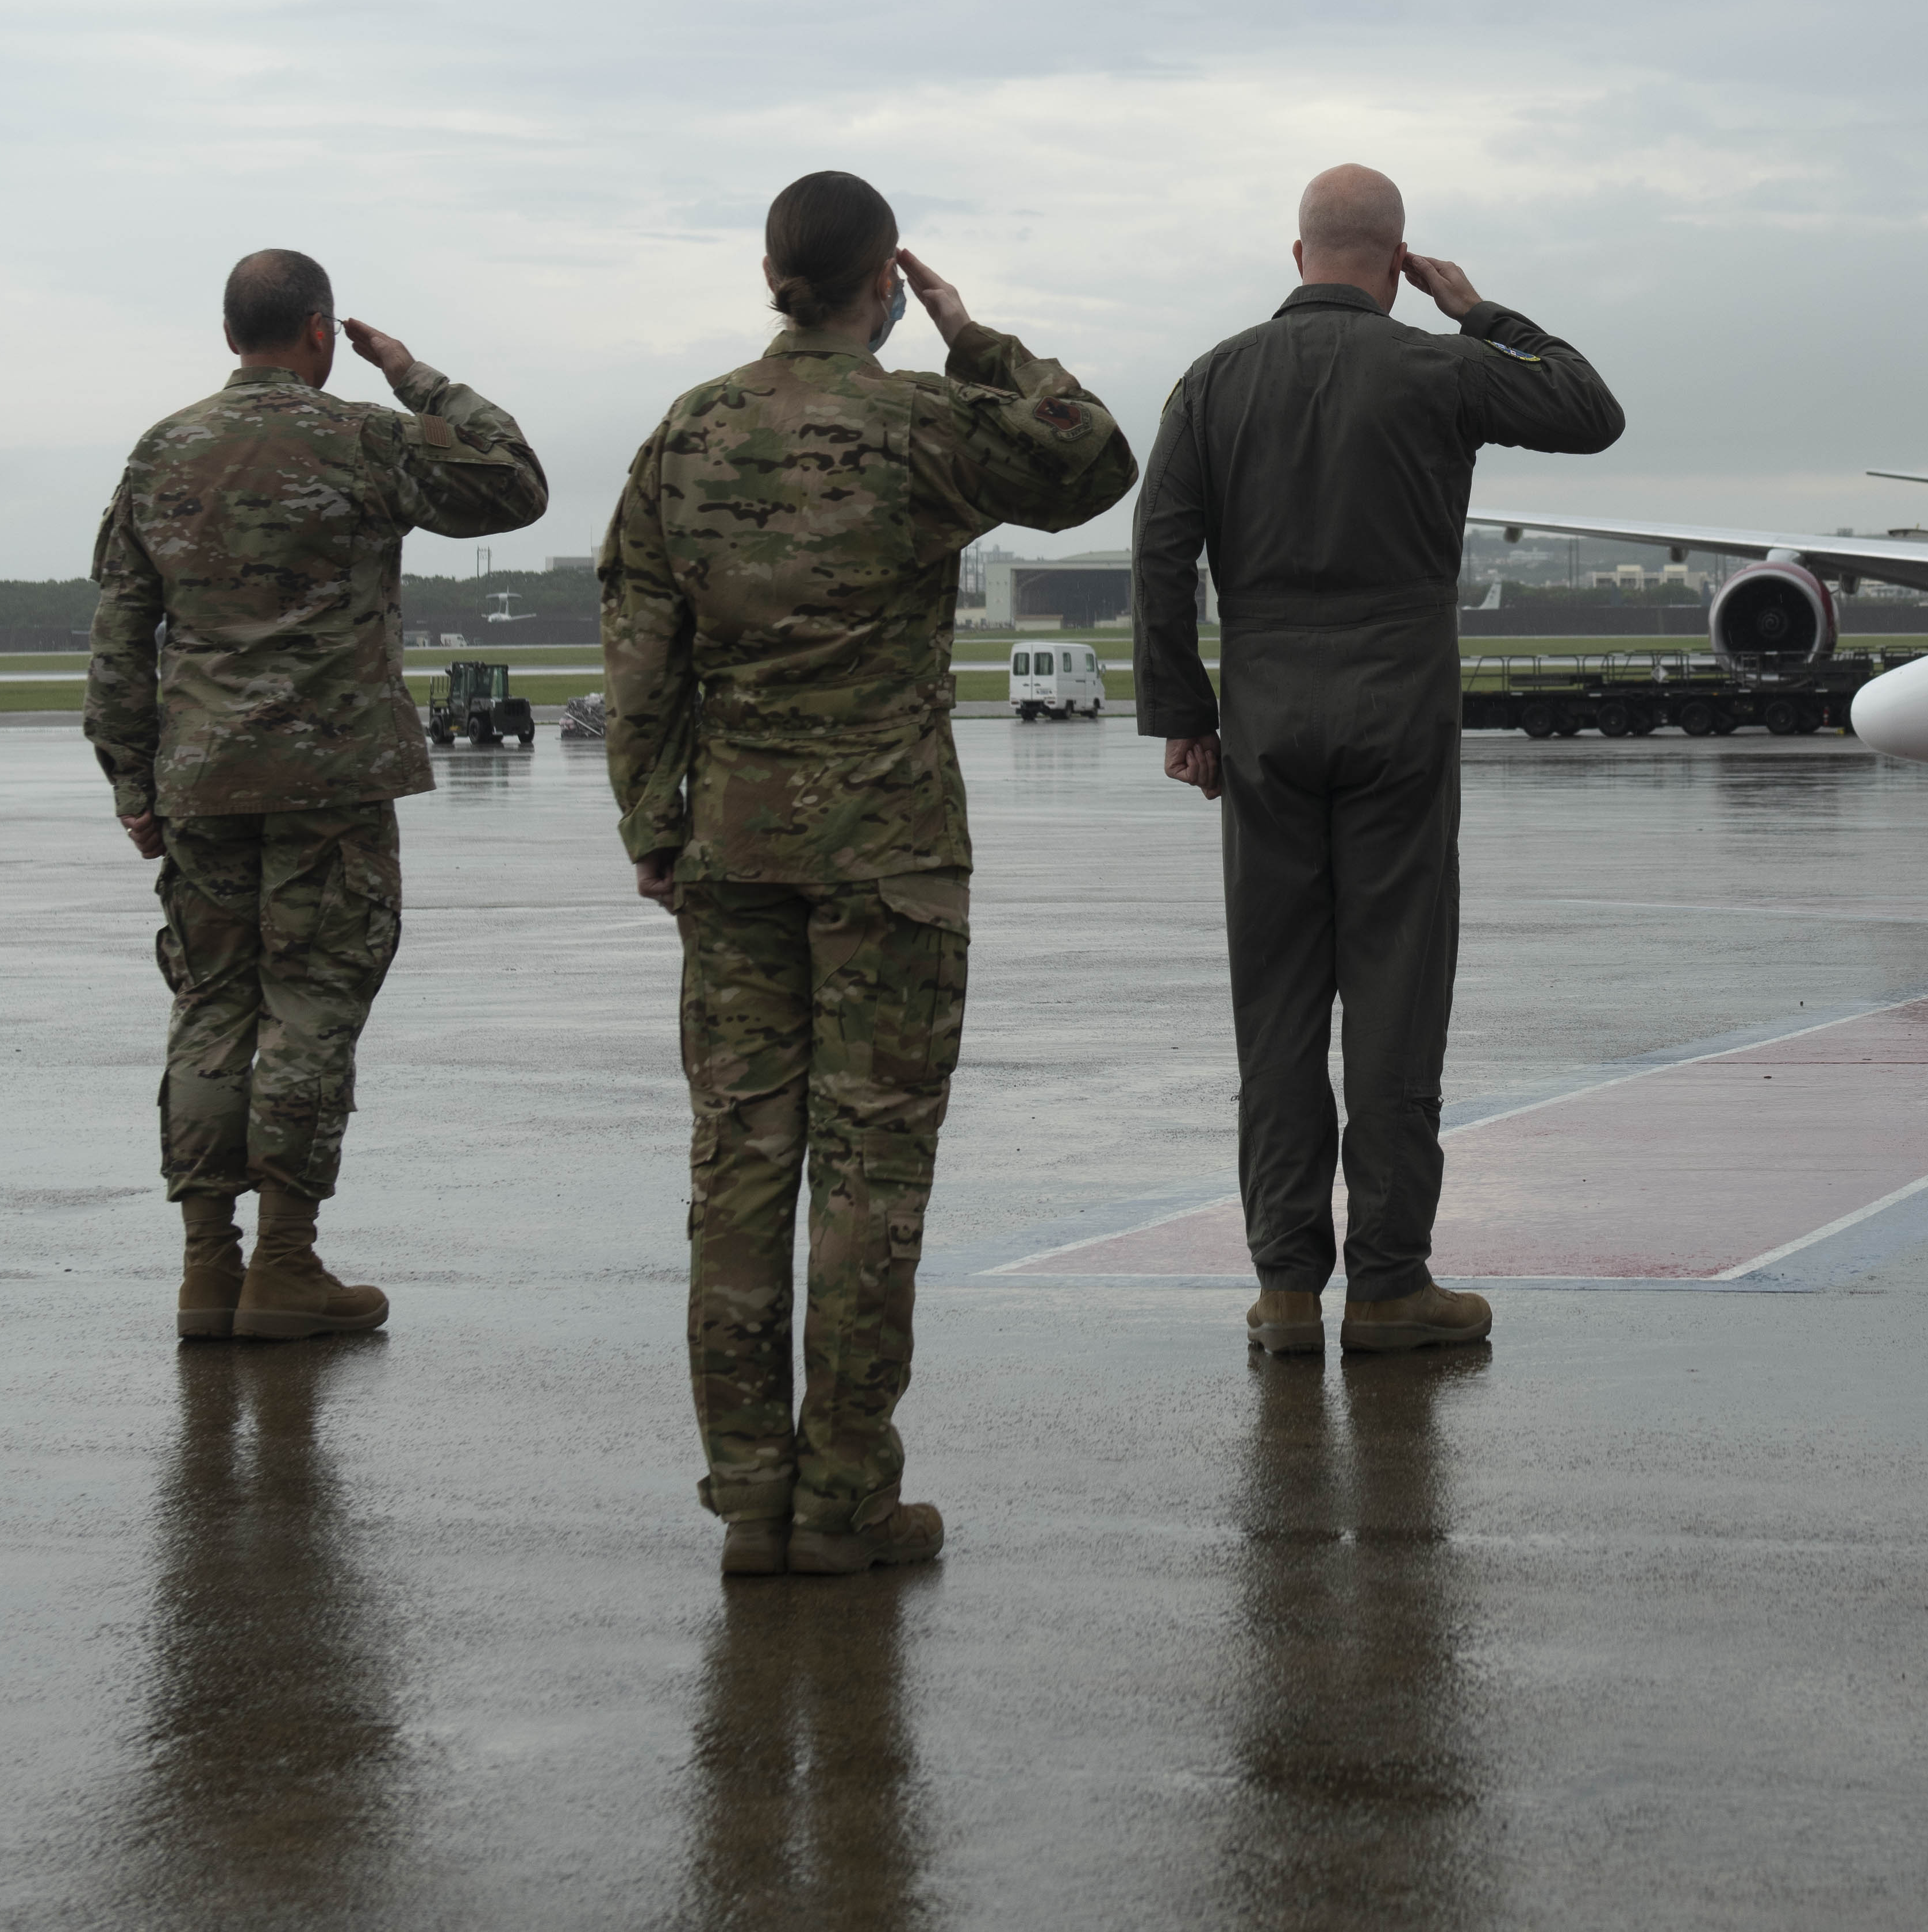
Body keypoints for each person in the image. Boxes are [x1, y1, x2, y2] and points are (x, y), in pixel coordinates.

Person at [603, 172, 1134, 1577]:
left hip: (731, 846)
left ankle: (750, 1499)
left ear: (769, 270)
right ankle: (845, 1499)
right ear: (882, 280)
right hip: (888, 850)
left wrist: (651, 825)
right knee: (871, 1170)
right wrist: (978, 339)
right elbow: (1093, 459)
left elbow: (639, 648)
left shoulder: (691, 431)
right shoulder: (919, 423)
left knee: (738, 1166)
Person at [1133, 165, 1622, 1356]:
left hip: (1264, 721)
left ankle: (1287, 1290)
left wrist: (1184, 711)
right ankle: (1392, 1282)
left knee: (1279, 1010)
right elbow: (1589, 410)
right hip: (1400, 716)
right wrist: (1481, 312)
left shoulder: (1213, 379)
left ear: (1297, 254)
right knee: (1397, 998)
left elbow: (1159, 552)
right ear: (1396, 262)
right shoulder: (1439, 365)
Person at [86, 250, 546, 1346]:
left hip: (200, 779)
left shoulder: (163, 451)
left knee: (208, 1007)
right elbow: (514, 482)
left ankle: (208, 1269)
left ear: (231, 332)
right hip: (330, 781)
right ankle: (284, 1263)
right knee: (310, 1004)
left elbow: (117, 633)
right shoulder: (361, 439)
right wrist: (414, 375)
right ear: (321, 331)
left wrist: (130, 780)